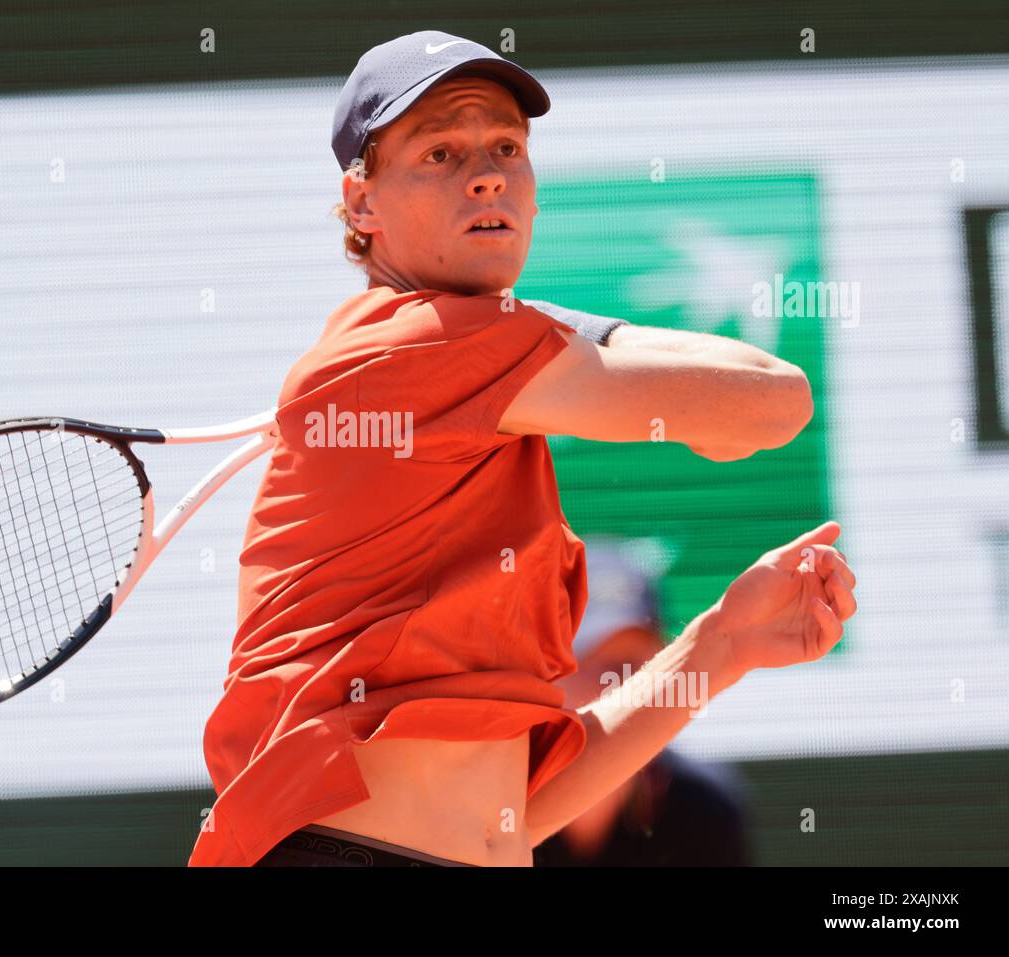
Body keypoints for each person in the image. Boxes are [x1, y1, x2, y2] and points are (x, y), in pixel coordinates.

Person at [188, 30, 856, 867]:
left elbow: (519, 810)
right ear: (361, 205)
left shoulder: (466, 379)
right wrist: (534, 317)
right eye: (439, 151)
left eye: (507, 146)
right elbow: (771, 401)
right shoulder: (409, 348)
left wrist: (720, 644)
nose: (487, 173)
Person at [532, 541, 753, 867]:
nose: (623, 687)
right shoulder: (486, 810)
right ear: (545, 672)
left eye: (641, 668)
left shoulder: (704, 809)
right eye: (598, 665)